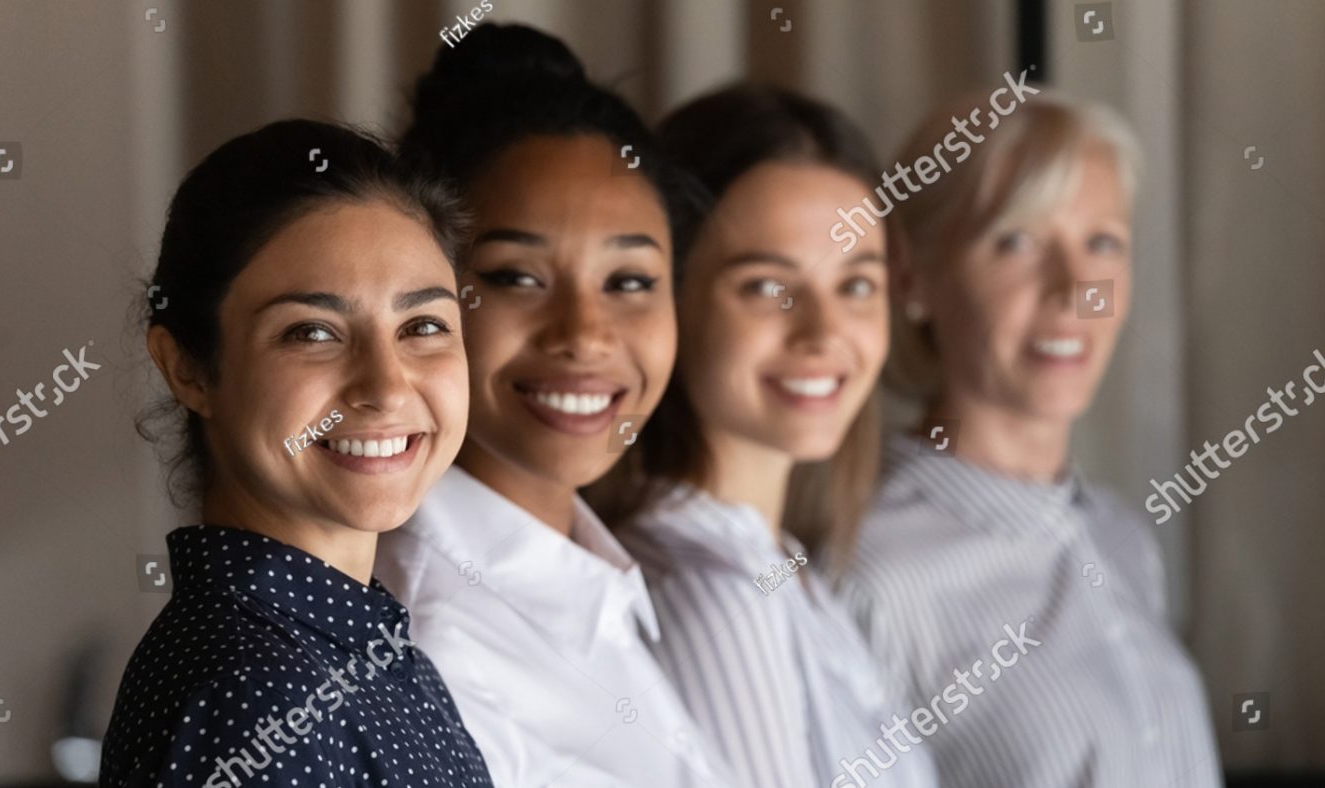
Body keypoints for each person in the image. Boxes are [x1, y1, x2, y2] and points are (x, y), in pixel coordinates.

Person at [373, 24, 731, 788]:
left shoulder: (596, 584)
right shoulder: (437, 647)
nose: (584, 335)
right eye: (518, 277)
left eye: (629, 281)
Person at [829, 93, 1222, 787]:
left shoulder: (1123, 540)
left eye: (1102, 243)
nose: (1074, 291)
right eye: (1017, 241)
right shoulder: (865, 570)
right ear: (912, 276)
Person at [99, 119, 493, 787]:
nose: (386, 386)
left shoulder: (354, 647)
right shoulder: (259, 694)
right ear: (190, 370)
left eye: (422, 325)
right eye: (313, 332)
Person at [586, 84, 939, 788]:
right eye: (768, 288)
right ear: (666, 297)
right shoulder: (715, 589)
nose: (824, 333)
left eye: (857, 285)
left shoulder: (781, 566)